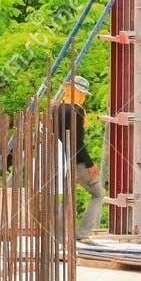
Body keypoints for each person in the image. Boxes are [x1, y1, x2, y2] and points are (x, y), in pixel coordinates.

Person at [51, 76, 105, 241]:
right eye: (82, 93)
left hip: (60, 159)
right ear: (77, 92)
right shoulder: (77, 110)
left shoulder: (55, 108)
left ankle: (58, 237)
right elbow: (77, 140)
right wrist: (89, 163)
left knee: (67, 197)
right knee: (98, 194)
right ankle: (82, 233)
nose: (83, 97)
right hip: (76, 161)